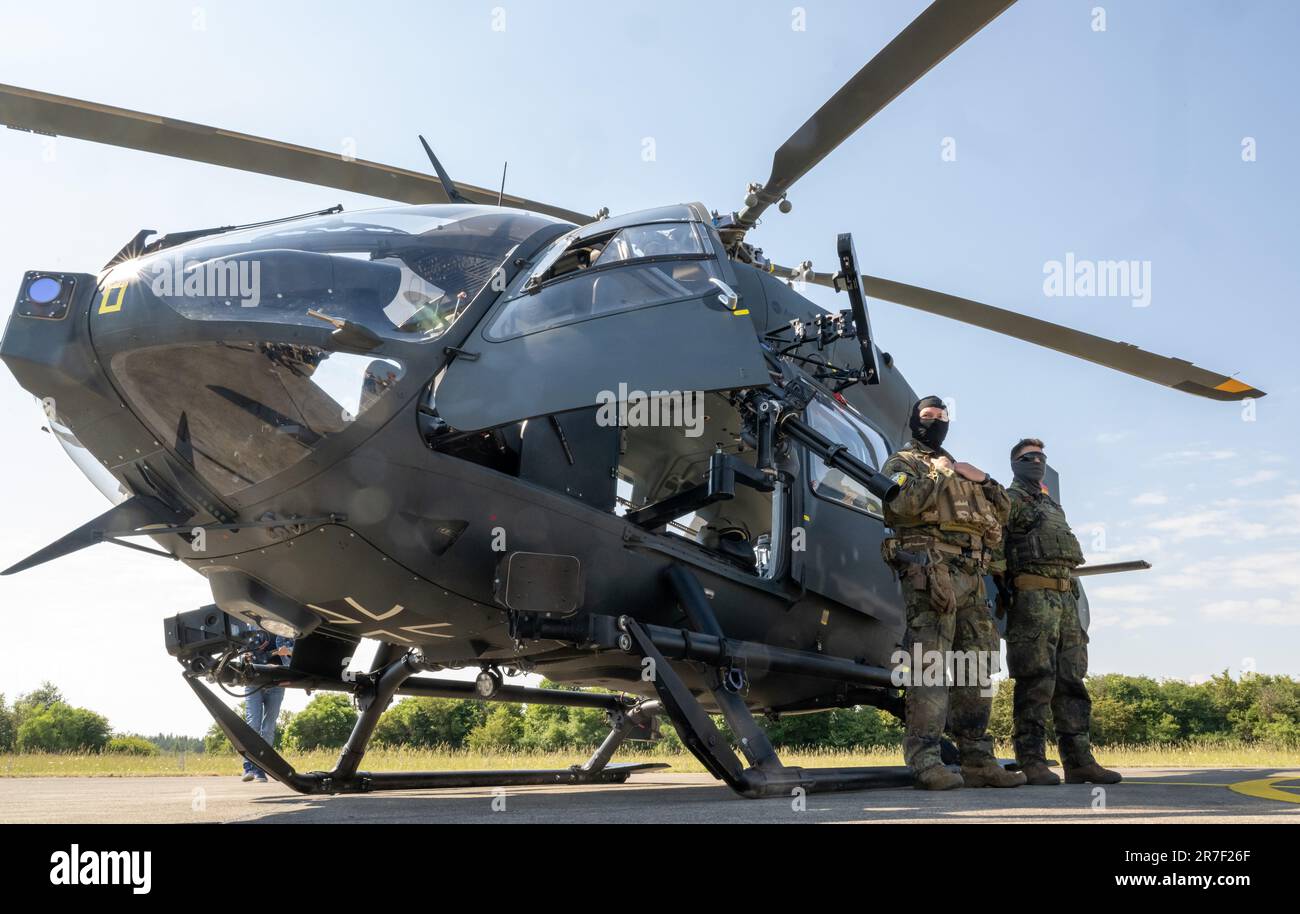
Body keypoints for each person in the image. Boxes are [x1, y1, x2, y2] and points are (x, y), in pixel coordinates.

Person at [880, 396, 1024, 790]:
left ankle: (978, 760)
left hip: (973, 575)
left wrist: (985, 481)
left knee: (977, 668)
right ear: (915, 421)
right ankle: (926, 761)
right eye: (928, 417)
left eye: (942, 418)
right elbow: (900, 505)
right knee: (929, 666)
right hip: (930, 570)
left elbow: (1004, 513)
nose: (936, 423)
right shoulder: (902, 463)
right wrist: (941, 475)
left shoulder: (962, 470)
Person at [995, 439, 1121, 785]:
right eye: (1028, 457)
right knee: (1035, 680)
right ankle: (1032, 760)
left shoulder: (1051, 505)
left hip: (1066, 598)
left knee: (1072, 680)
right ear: (1015, 464)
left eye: (1040, 457)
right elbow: (995, 549)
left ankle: (1079, 760)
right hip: (1032, 598)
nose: (1036, 461)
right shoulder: (1009, 500)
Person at [240, 631, 294, 783]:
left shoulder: (286, 628)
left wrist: (287, 651)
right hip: (253, 683)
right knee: (252, 724)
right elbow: (240, 653)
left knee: (269, 727)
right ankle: (248, 767)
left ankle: (261, 770)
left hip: (277, 683)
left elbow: (299, 651)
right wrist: (245, 658)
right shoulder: (250, 628)